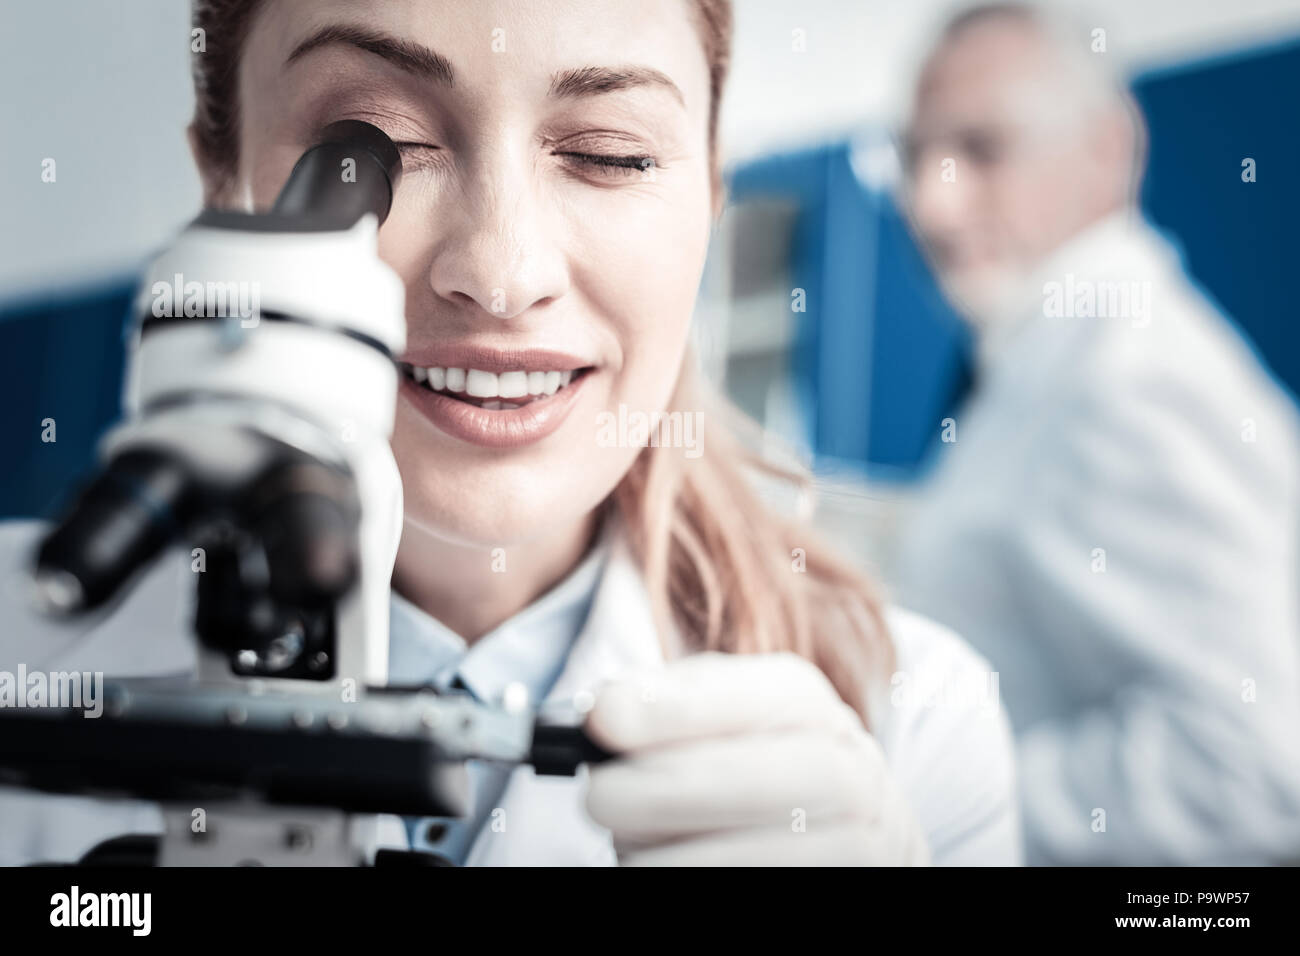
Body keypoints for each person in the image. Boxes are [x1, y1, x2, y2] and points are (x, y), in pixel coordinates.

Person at [0, 0, 1019, 866]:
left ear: (707, 198)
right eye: (376, 145)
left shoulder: (918, 729)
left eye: (608, 154)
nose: (499, 268)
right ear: (223, 187)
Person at [894, 2, 1300, 864]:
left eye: (981, 149)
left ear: (1109, 150)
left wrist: (923, 800)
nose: (930, 203)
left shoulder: (1132, 380)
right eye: (913, 156)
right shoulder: (1041, 356)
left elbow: (1253, 762)